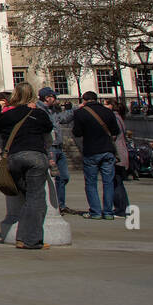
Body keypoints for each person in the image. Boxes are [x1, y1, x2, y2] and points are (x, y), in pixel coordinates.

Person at [0, 82, 55, 249]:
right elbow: (49, 129)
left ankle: (21, 237)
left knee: (28, 198)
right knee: (36, 200)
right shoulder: (39, 113)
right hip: (35, 156)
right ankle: (31, 241)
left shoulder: (7, 115)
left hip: (14, 158)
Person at [71, 91, 120, 220]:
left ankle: (95, 211)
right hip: (107, 150)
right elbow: (116, 131)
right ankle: (108, 212)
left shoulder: (80, 113)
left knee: (91, 183)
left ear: (84, 100)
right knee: (108, 182)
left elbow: (77, 133)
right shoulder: (108, 112)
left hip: (91, 150)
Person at [37, 87, 75, 214]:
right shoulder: (39, 110)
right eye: (54, 97)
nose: (57, 99)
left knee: (63, 177)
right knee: (51, 178)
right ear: (48, 98)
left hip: (59, 147)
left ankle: (60, 204)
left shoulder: (52, 111)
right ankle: (53, 206)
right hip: (49, 147)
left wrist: (75, 108)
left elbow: (63, 119)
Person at [105, 99, 131, 218]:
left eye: (105, 104)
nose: (104, 106)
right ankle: (123, 207)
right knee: (118, 182)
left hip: (118, 154)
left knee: (116, 182)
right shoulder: (119, 117)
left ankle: (121, 209)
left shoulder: (113, 118)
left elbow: (113, 136)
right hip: (122, 153)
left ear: (111, 106)